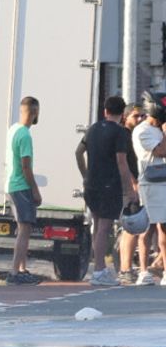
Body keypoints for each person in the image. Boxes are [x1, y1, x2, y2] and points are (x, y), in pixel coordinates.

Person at [75, 95, 137, 286]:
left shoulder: (93, 129)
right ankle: (100, 270)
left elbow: (78, 152)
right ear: (122, 113)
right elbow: (121, 161)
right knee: (104, 228)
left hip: (91, 184)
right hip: (109, 185)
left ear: (105, 111)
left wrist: (85, 174)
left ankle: (99, 266)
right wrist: (129, 189)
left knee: (97, 225)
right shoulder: (119, 133)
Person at [5, 96, 41, 285]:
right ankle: (15, 271)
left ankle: (21, 268)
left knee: (23, 228)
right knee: (25, 229)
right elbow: (25, 166)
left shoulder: (14, 129)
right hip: (21, 185)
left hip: (11, 184)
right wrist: (35, 190)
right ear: (35, 112)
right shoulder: (25, 135)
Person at [118, 103, 154, 285]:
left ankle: (128, 268)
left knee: (134, 227)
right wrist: (132, 183)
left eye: (142, 116)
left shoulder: (134, 134)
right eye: (135, 116)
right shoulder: (124, 135)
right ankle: (125, 269)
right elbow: (123, 161)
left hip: (138, 184)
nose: (139, 119)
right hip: (132, 187)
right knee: (131, 228)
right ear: (125, 117)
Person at [132, 103, 166, 289]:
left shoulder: (158, 129)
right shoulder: (142, 131)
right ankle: (144, 271)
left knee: (164, 228)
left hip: (164, 182)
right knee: (148, 227)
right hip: (151, 183)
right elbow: (161, 151)